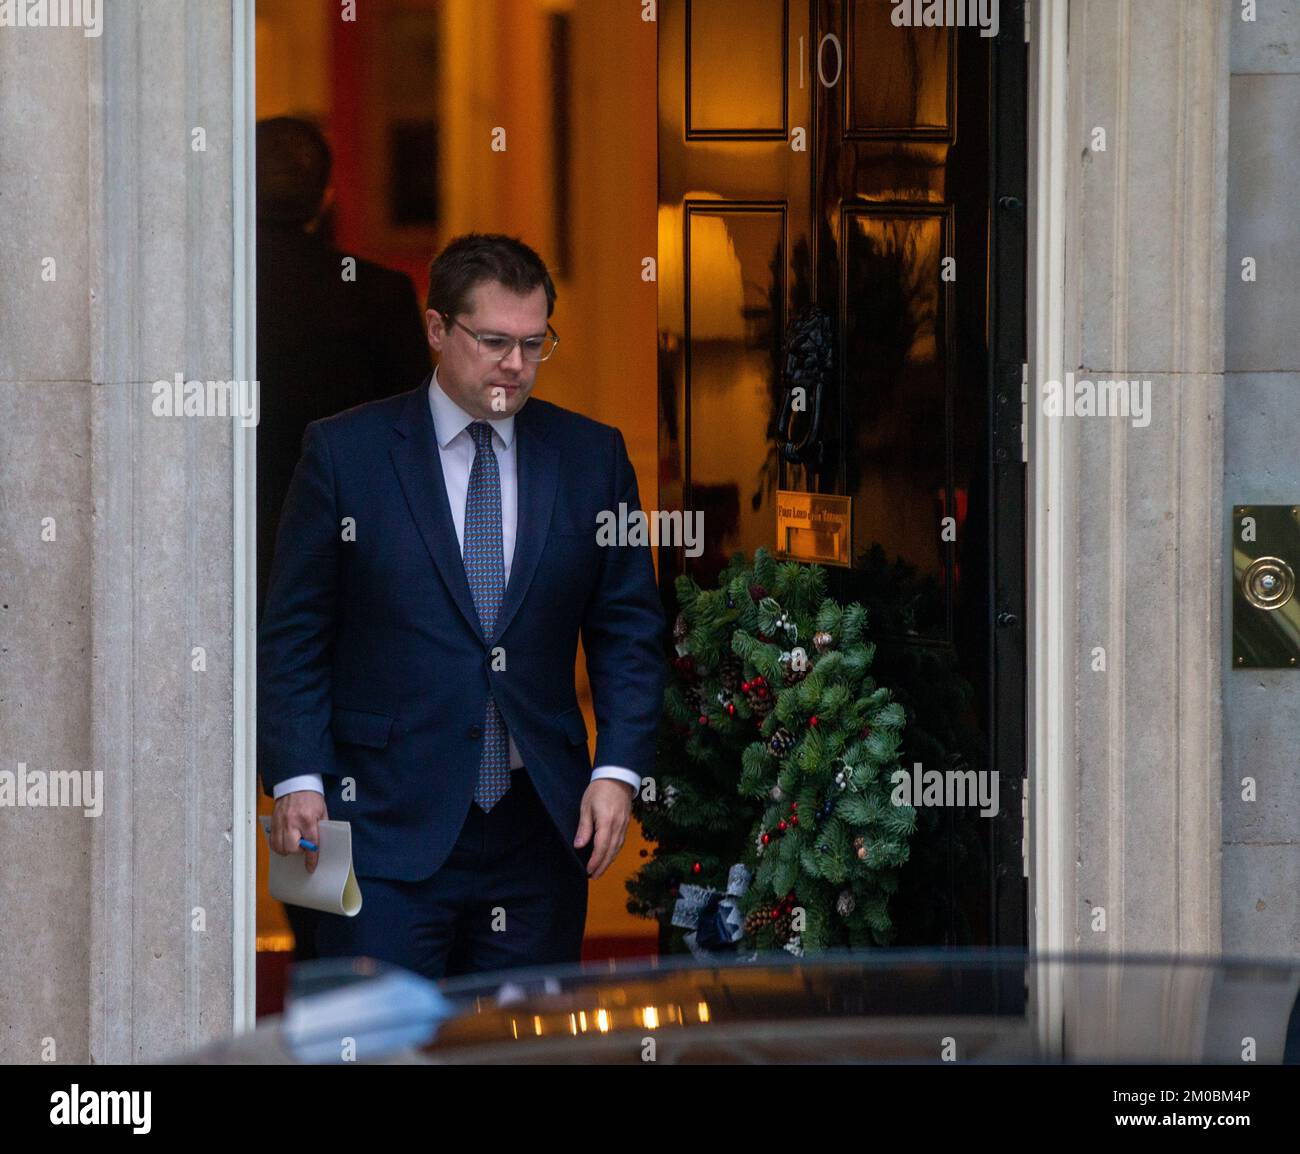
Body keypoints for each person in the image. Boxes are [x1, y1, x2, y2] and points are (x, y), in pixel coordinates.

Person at [258, 232, 666, 979]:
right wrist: (298, 779)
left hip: (538, 828)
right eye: (494, 341)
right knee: (364, 1046)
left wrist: (617, 770)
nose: (516, 363)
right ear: (438, 330)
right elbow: (293, 635)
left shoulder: (592, 458)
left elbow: (630, 630)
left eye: (534, 344)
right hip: (370, 823)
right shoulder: (343, 454)